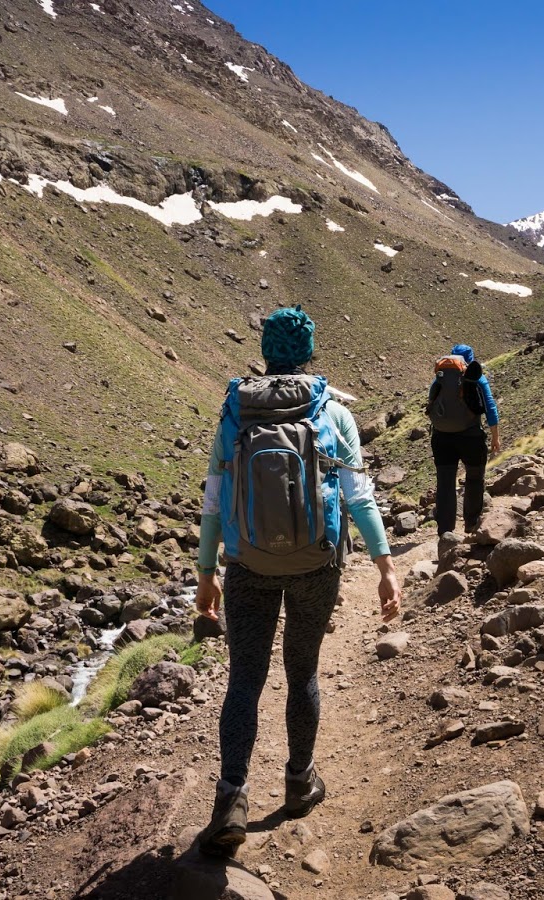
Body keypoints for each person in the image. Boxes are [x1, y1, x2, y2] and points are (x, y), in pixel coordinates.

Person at [193, 306, 402, 858]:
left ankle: (230, 799)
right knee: (302, 670)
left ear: (265, 351)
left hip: (246, 565)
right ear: (308, 352)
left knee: (245, 680)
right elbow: (359, 497)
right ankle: (299, 782)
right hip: (316, 563)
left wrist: (206, 573)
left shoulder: (235, 412)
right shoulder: (333, 414)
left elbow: (214, 499)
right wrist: (385, 567)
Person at [427, 343, 500, 538]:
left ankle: (445, 530)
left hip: (442, 438)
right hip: (470, 436)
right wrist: (495, 436)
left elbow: (431, 403)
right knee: (474, 477)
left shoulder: (440, 377)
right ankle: (471, 524)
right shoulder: (477, 377)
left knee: (445, 482)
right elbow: (490, 406)